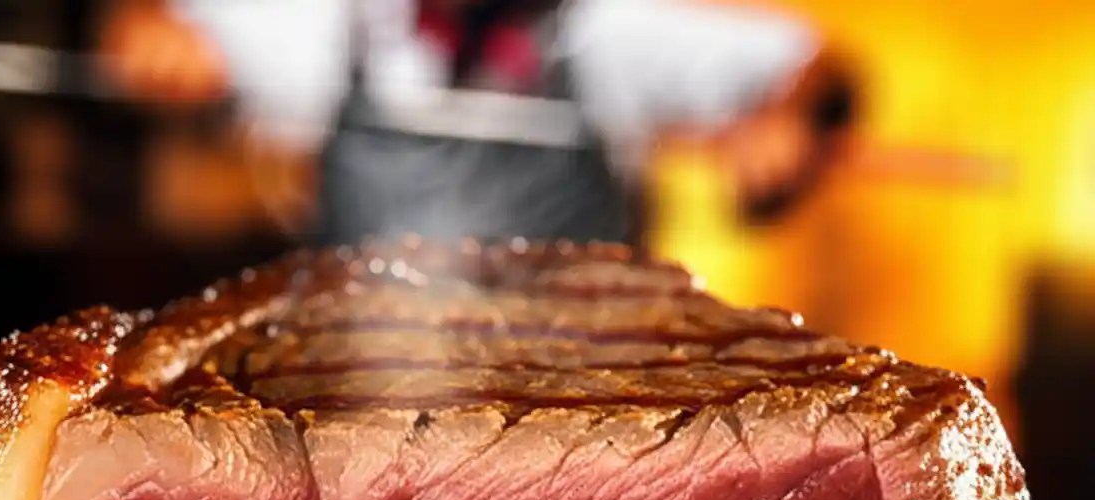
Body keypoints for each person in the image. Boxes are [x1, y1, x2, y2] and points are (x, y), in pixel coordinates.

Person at [100, 0, 854, 248]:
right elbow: (146, 26)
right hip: (354, 377)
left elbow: (811, 65)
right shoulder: (328, 17)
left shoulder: (608, 22)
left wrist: (786, 118)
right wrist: (150, 33)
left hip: (578, 387)